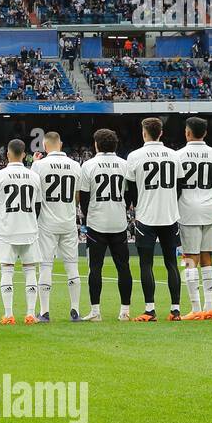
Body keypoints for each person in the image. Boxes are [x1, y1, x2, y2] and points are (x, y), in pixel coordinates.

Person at [125, 117, 182, 322]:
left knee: (146, 264)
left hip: (146, 217)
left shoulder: (135, 156)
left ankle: (150, 309)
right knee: (171, 263)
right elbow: (179, 186)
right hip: (169, 215)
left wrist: (140, 205)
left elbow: (131, 190)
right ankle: (175, 310)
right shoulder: (174, 155)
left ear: (144, 133)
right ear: (161, 133)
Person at [79, 128, 132, 322]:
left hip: (97, 223)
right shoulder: (125, 165)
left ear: (96, 145)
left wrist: (89, 216)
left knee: (95, 268)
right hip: (118, 221)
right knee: (123, 267)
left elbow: (83, 198)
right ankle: (125, 311)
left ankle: (95, 311)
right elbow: (129, 195)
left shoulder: (89, 165)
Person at [175, 117, 212, 320]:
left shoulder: (178, 155)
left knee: (190, 259)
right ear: (205, 133)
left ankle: (195, 309)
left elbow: (175, 188)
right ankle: (209, 307)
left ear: (187, 132)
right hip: (211, 209)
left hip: (188, 210)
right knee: (207, 258)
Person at [0, 139, 43, 325]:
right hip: (29, 229)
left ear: (7, 154)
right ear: (24, 155)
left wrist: (0, 225)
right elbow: (37, 207)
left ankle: (9, 314)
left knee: (7, 270)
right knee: (30, 271)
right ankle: (30, 314)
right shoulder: (34, 176)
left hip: (7, 230)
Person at [33, 133, 83, 322]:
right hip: (68, 221)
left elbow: (33, 191)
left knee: (45, 265)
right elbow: (77, 196)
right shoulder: (75, 164)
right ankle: (75, 310)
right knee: (72, 266)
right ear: (60, 144)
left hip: (47, 223)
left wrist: (34, 164)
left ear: (45, 145)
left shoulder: (39, 165)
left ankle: (45, 311)